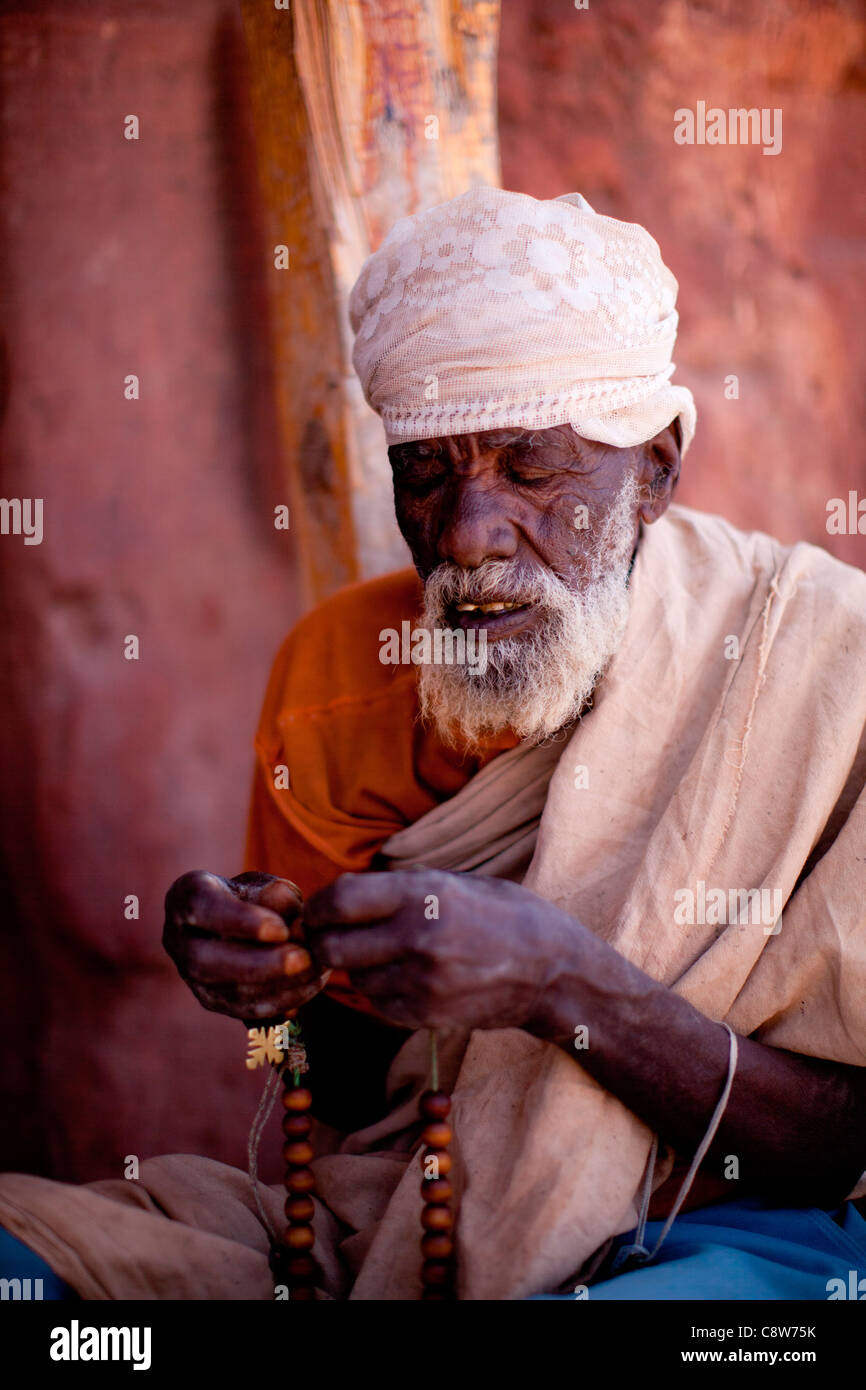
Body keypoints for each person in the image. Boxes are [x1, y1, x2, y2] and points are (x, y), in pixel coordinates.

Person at [2, 188, 864, 1300]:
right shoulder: (332, 688)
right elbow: (344, 1099)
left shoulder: (828, 674)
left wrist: (562, 984)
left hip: (734, 1230)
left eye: (530, 468)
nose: (467, 533)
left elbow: (841, 1149)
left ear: (652, 470)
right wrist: (279, 982)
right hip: (407, 1213)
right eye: (426, 472)